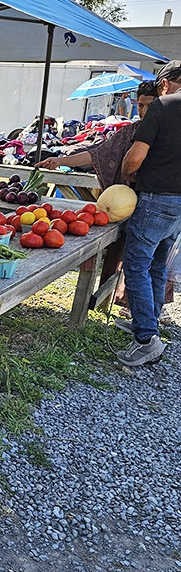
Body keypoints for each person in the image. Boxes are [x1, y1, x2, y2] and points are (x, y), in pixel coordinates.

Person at [116, 61, 181, 367]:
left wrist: (128, 174)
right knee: (157, 265)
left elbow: (136, 155)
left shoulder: (163, 107)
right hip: (179, 204)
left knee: (136, 264)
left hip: (155, 197)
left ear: (165, 84)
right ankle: (149, 322)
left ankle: (145, 339)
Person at [35, 82, 157, 188]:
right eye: (141, 105)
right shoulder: (128, 132)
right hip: (130, 196)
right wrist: (59, 161)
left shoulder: (169, 132)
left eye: (150, 106)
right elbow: (97, 155)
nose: (144, 111)